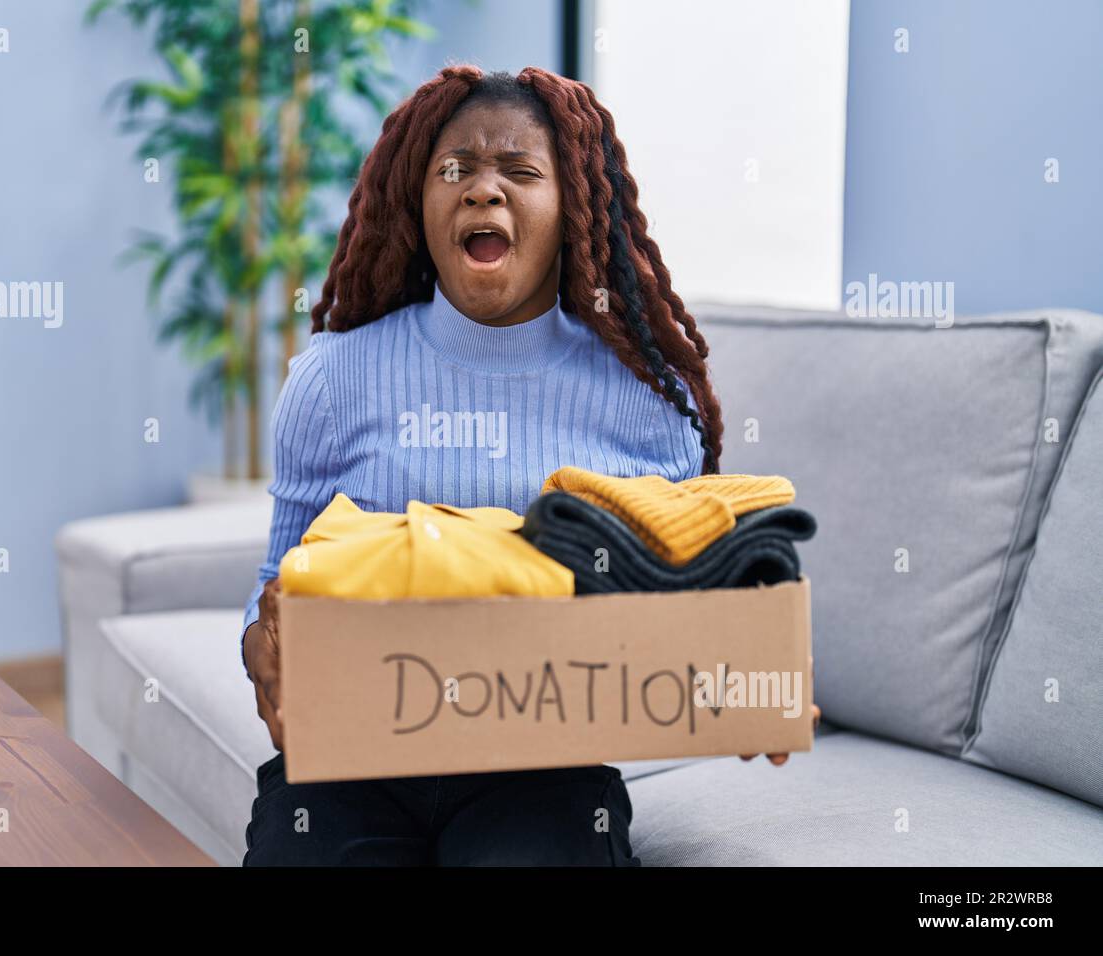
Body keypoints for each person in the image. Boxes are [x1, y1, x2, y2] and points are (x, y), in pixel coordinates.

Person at [240, 65, 811, 866]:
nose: (483, 189)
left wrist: (745, 678)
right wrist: (261, 644)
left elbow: (687, 593)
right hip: (350, 758)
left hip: (546, 770)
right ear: (418, 199)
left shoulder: (648, 398)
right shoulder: (334, 380)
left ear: (570, 205)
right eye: (455, 170)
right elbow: (277, 576)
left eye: (519, 170)